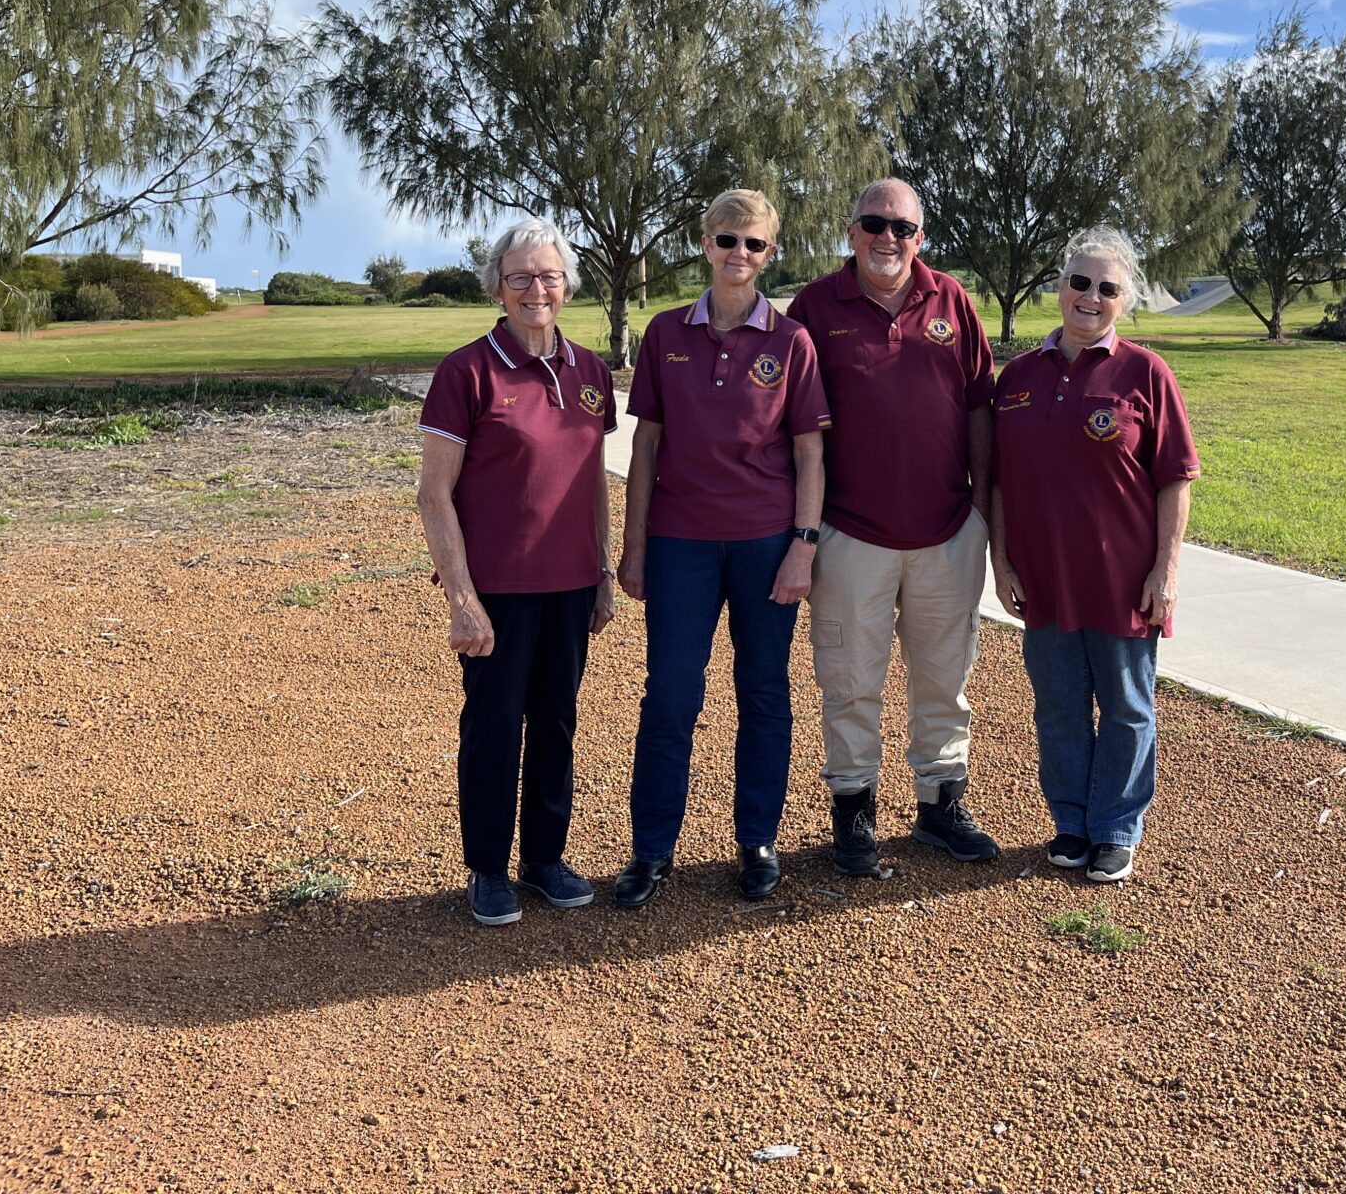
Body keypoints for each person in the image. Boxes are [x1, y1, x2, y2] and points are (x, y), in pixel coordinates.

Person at [614, 189, 830, 906]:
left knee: (763, 693)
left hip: (766, 543)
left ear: (771, 253)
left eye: (755, 244)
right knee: (671, 695)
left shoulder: (790, 341)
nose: (740, 254)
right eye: (727, 240)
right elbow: (644, 446)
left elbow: (809, 454)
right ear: (704, 243)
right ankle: (652, 850)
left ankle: (757, 840)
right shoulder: (666, 331)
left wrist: (804, 545)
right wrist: (635, 543)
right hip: (680, 542)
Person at [786, 177, 1000, 875]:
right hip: (851, 533)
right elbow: (793, 429)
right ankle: (854, 811)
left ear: (921, 237)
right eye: (874, 224)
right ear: (851, 232)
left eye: (902, 227)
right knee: (850, 680)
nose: (888, 238)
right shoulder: (816, 307)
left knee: (945, 679)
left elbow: (977, 407)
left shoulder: (952, 301)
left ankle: (941, 805)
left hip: (946, 530)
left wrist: (979, 509)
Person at [417, 218, 618, 926]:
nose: (537, 289)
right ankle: (487, 869)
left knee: (557, 723)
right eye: (522, 277)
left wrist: (601, 570)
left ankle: (544, 860)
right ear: (498, 288)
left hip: (568, 583)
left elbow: (591, 478)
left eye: (550, 276)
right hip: (497, 588)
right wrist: (462, 601)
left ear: (567, 284)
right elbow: (433, 493)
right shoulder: (466, 370)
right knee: (496, 724)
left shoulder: (591, 372)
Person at [989, 227, 1198, 885]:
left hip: (1121, 579)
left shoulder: (1146, 374)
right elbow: (995, 482)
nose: (1090, 296)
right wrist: (1002, 563)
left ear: (1123, 300)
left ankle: (1115, 827)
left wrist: (1165, 572)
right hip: (1045, 579)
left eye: (1107, 288)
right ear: (1060, 286)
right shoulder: (1018, 378)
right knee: (1057, 708)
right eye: (1080, 282)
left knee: (1128, 707)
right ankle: (1073, 823)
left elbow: (1175, 477)